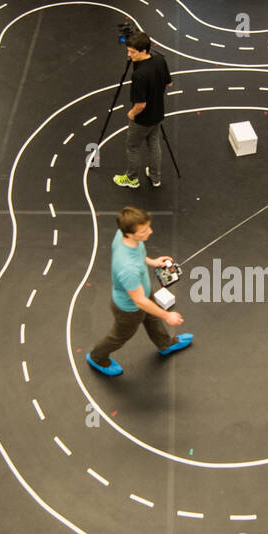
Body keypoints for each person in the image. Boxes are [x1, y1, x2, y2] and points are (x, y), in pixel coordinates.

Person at [86, 206, 192, 376]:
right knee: (120, 336)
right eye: (143, 231)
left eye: (148, 227)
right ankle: (97, 357)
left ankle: (165, 344)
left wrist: (153, 262)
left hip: (142, 292)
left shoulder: (123, 236)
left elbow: (138, 255)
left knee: (152, 320)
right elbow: (140, 302)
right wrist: (167, 315)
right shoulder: (128, 268)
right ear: (129, 234)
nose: (150, 232)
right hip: (130, 309)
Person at [113, 31, 172, 190]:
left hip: (143, 119)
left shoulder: (139, 75)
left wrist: (131, 114)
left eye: (132, 52)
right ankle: (155, 176)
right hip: (158, 113)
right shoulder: (159, 59)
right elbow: (169, 83)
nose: (128, 54)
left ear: (144, 51)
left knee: (132, 147)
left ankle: (132, 179)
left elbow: (140, 105)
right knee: (154, 144)